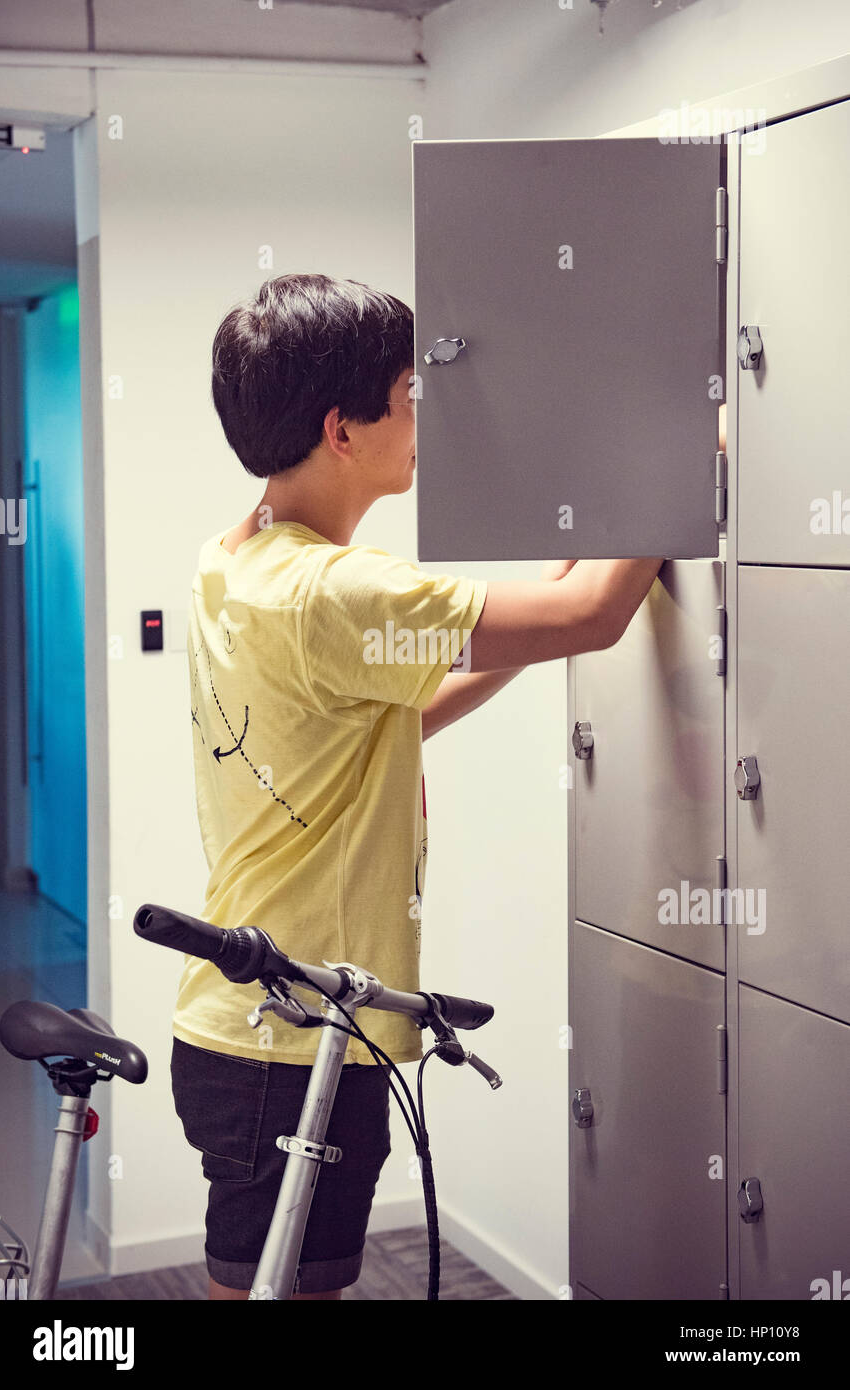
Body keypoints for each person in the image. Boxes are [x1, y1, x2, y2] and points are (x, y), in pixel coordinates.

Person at [171, 272, 686, 1301]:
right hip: (296, 1041)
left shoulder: (234, 563)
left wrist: (561, 592)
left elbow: (389, 709)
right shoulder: (339, 592)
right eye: (411, 392)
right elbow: (591, 616)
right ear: (342, 429)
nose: (426, 413)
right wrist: (678, 460)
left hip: (250, 1028)